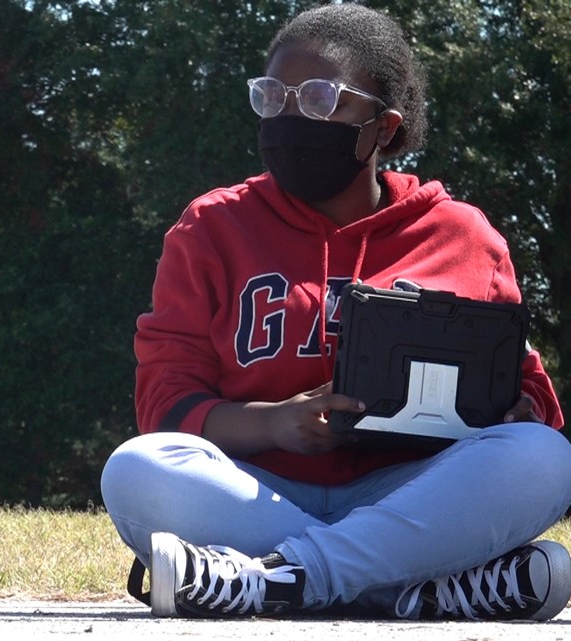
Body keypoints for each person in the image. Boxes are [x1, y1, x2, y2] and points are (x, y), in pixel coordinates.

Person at [100, 3, 571, 621]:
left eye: (321, 98)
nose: (291, 116)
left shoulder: (462, 234)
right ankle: (411, 589)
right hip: (256, 492)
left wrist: (518, 407)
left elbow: (532, 403)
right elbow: (165, 402)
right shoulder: (212, 225)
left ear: (383, 127)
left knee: (542, 458)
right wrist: (276, 424)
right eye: (273, 96)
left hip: (409, 494)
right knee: (138, 468)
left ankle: (274, 580)